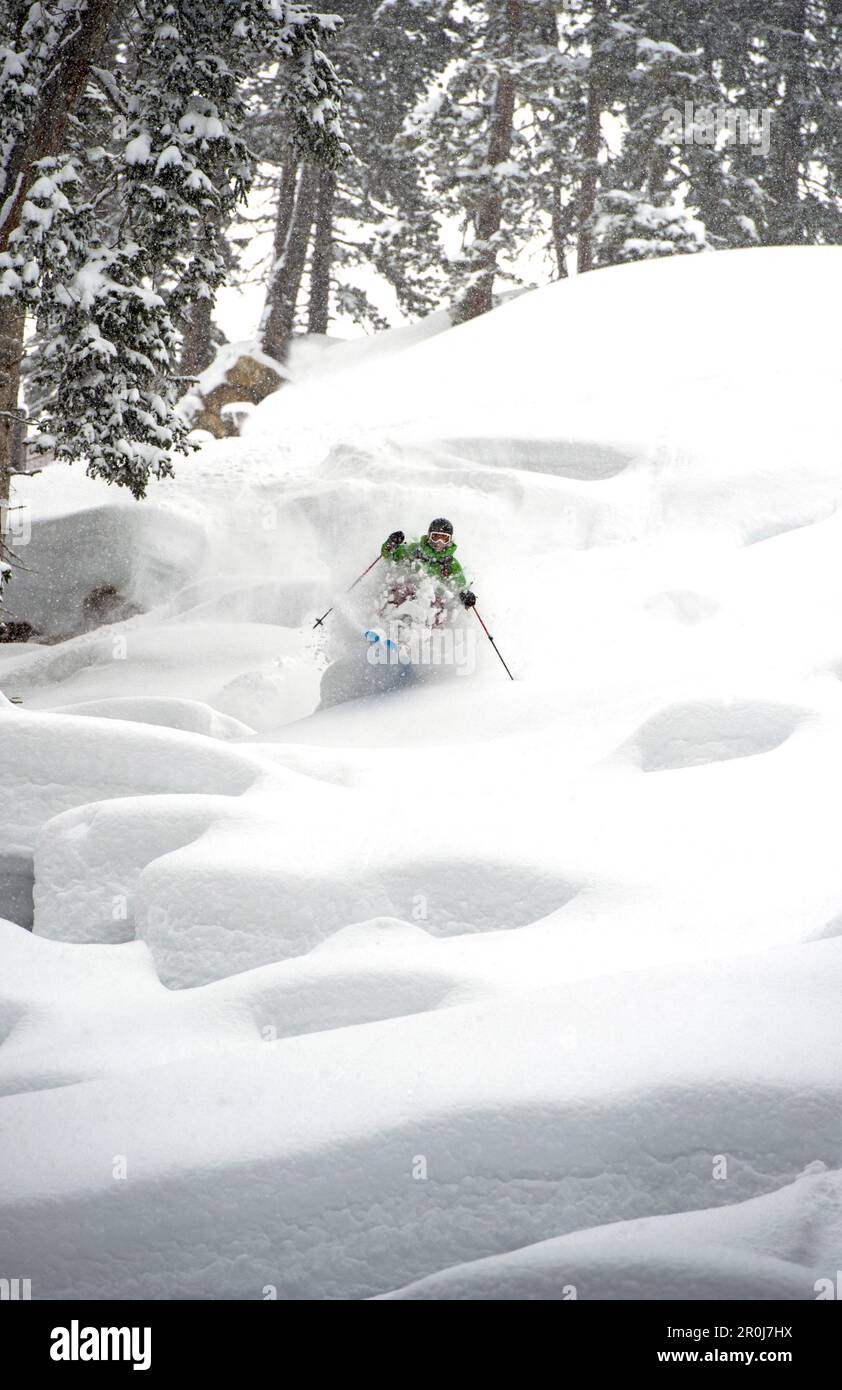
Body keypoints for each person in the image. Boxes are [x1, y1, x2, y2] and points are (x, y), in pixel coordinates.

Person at [380, 518, 476, 617]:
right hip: (411, 589)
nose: (439, 542)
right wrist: (391, 543)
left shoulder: (450, 563)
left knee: (437, 607)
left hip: (432, 598)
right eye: (435, 537)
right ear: (429, 537)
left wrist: (465, 595)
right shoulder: (416, 550)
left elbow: (459, 584)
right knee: (401, 592)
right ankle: (385, 620)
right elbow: (390, 554)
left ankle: (427, 631)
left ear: (450, 540)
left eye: (444, 539)